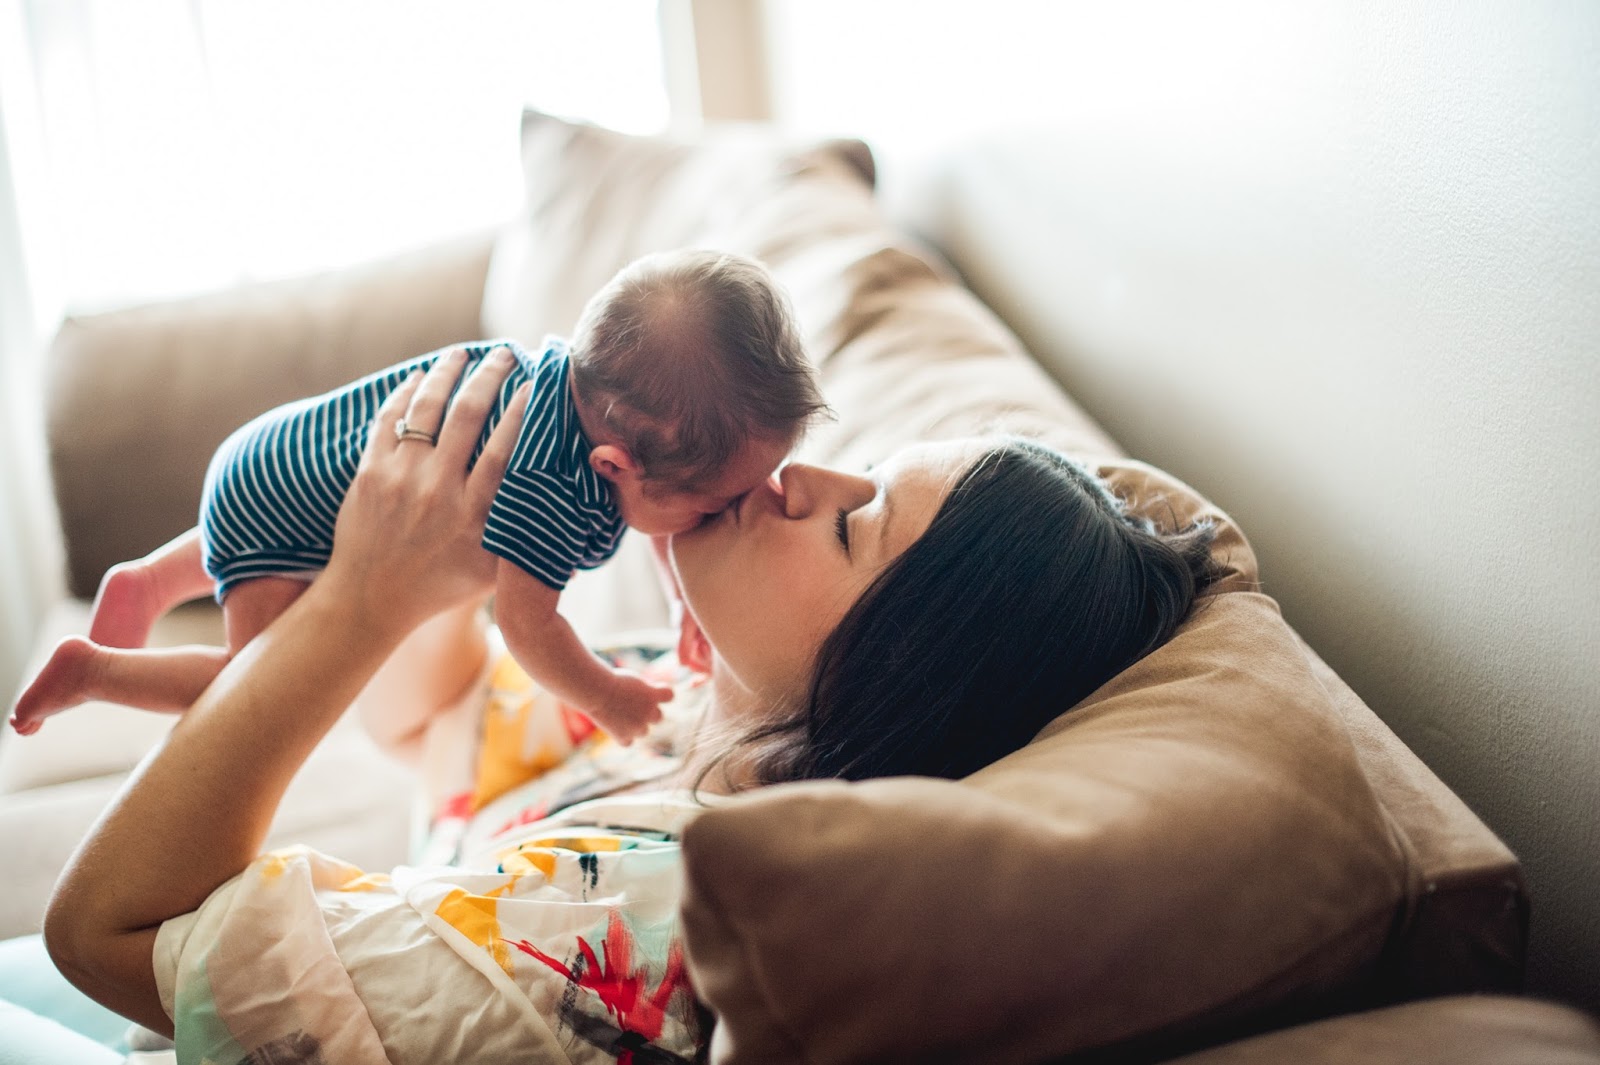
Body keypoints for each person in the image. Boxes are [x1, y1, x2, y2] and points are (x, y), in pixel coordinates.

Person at [41, 352, 1217, 1061]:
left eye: (857, 525)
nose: (801, 476)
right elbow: (429, 716)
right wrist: (442, 552)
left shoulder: (645, 922)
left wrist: (353, 603)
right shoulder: (678, 704)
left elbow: (106, 934)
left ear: (904, 674)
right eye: (862, 464)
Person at [9, 248, 826, 745]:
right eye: (714, 506)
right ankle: (95, 671)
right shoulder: (549, 482)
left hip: (266, 459)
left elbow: (658, 510)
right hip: (287, 506)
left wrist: (684, 598)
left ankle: (150, 580)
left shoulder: (577, 402)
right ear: (613, 468)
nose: (716, 521)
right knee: (248, 689)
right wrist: (608, 695)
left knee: (239, 537)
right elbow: (526, 623)